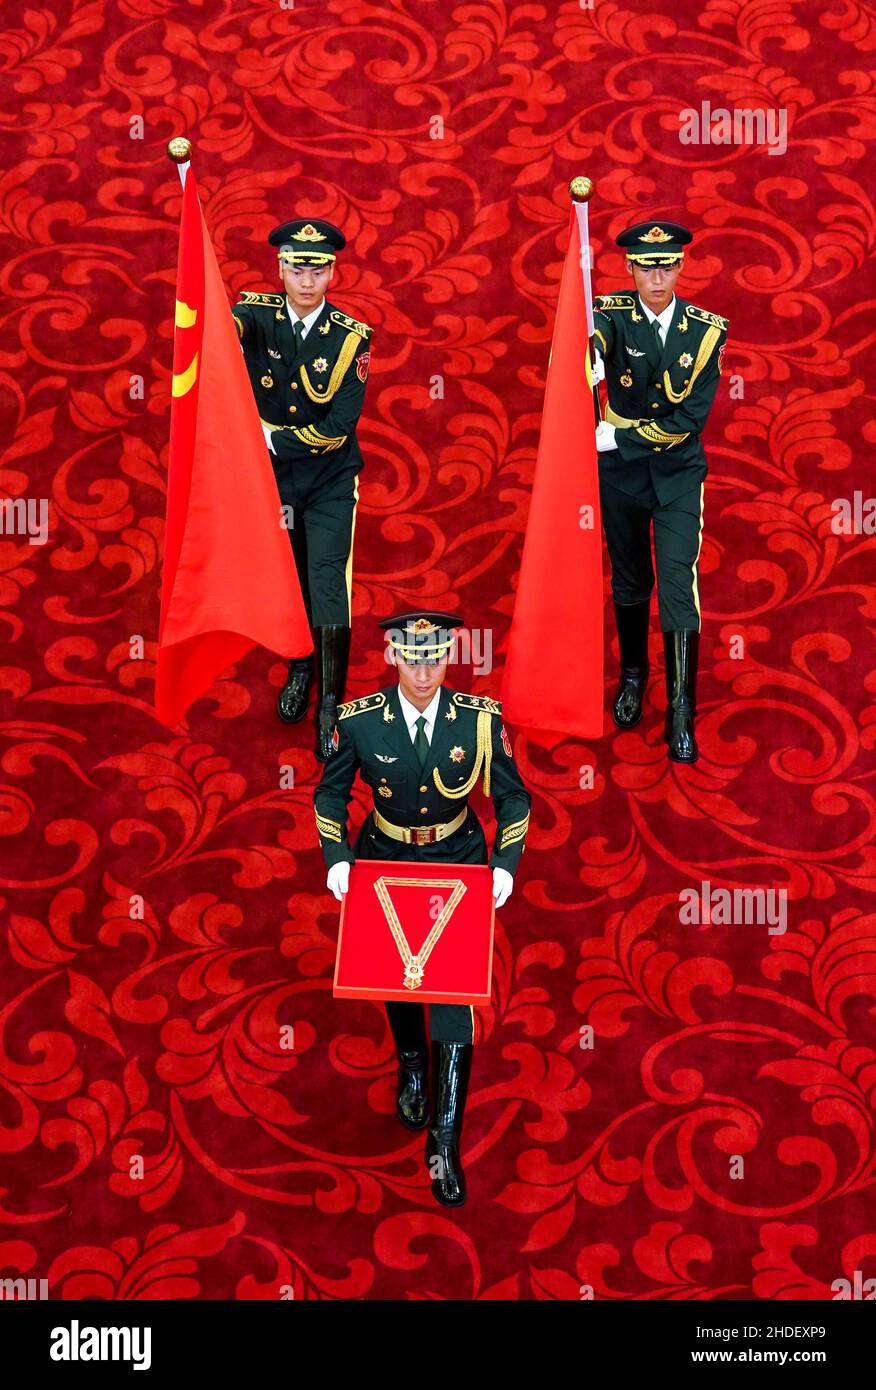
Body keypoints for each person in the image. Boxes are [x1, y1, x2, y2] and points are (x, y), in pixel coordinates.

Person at [313, 611, 531, 1206]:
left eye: (434, 657)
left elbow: (514, 799)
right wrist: (337, 858)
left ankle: (445, 1142)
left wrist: (503, 869)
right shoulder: (359, 722)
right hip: (384, 859)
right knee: (398, 983)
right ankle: (411, 1061)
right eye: (413, 658)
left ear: (447, 657)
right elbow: (330, 792)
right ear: (392, 658)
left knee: (455, 999)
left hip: (458, 862)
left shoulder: (480, 722)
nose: (424, 670)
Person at [232, 218, 373, 760]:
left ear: (332, 271)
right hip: (271, 481)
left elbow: (337, 426)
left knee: (327, 581)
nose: (306, 279)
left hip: (329, 478)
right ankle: (299, 667)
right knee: (290, 578)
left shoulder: (353, 339)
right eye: (296, 267)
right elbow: (223, 337)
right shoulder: (255, 315)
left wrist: (267, 437)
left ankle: (330, 705)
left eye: (317, 268)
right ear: (281, 269)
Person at [592, 220, 728, 763]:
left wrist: (619, 436)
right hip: (621, 481)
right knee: (629, 580)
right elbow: (591, 336)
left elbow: (689, 419)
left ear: (681, 267)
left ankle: (680, 708)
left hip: (675, 475)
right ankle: (632, 677)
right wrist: (589, 356)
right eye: (646, 266)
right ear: (629, 269)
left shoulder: (707, 330)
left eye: (667, 265)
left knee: (676, 583)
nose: (656, 275)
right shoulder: (609, 313)